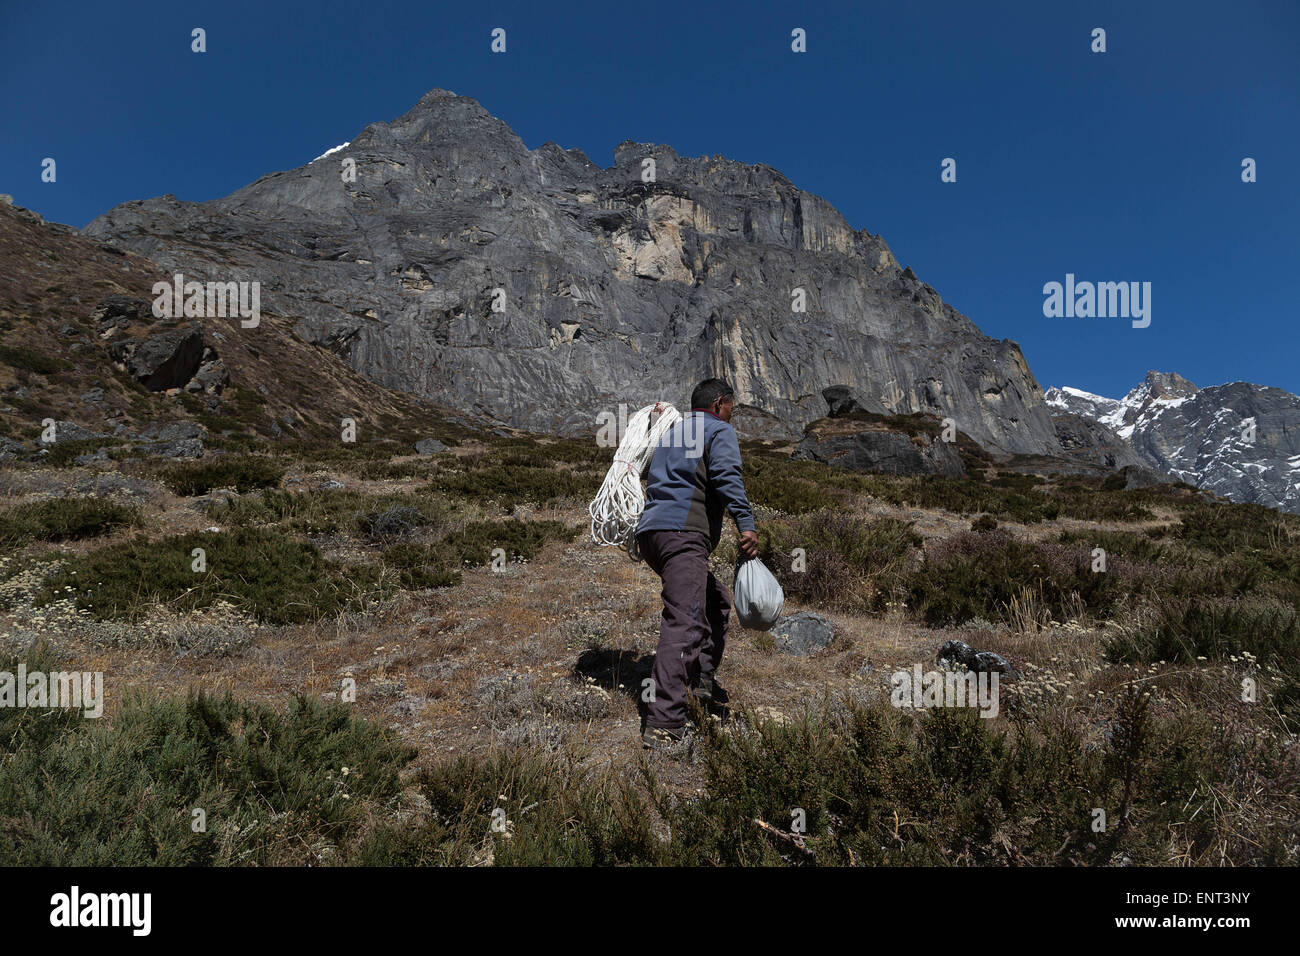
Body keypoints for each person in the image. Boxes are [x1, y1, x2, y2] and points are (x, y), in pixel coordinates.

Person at [634, 378, 760, 750]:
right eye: (731, 408)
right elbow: (726, 477)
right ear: (720, 403)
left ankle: (699, 686)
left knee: (716, 602)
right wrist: (747, 525)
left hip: (652, 535)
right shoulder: (718, 430)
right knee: (685, 621)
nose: (731, 416)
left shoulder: (672, 432)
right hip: (683, 534)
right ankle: (665, 724)